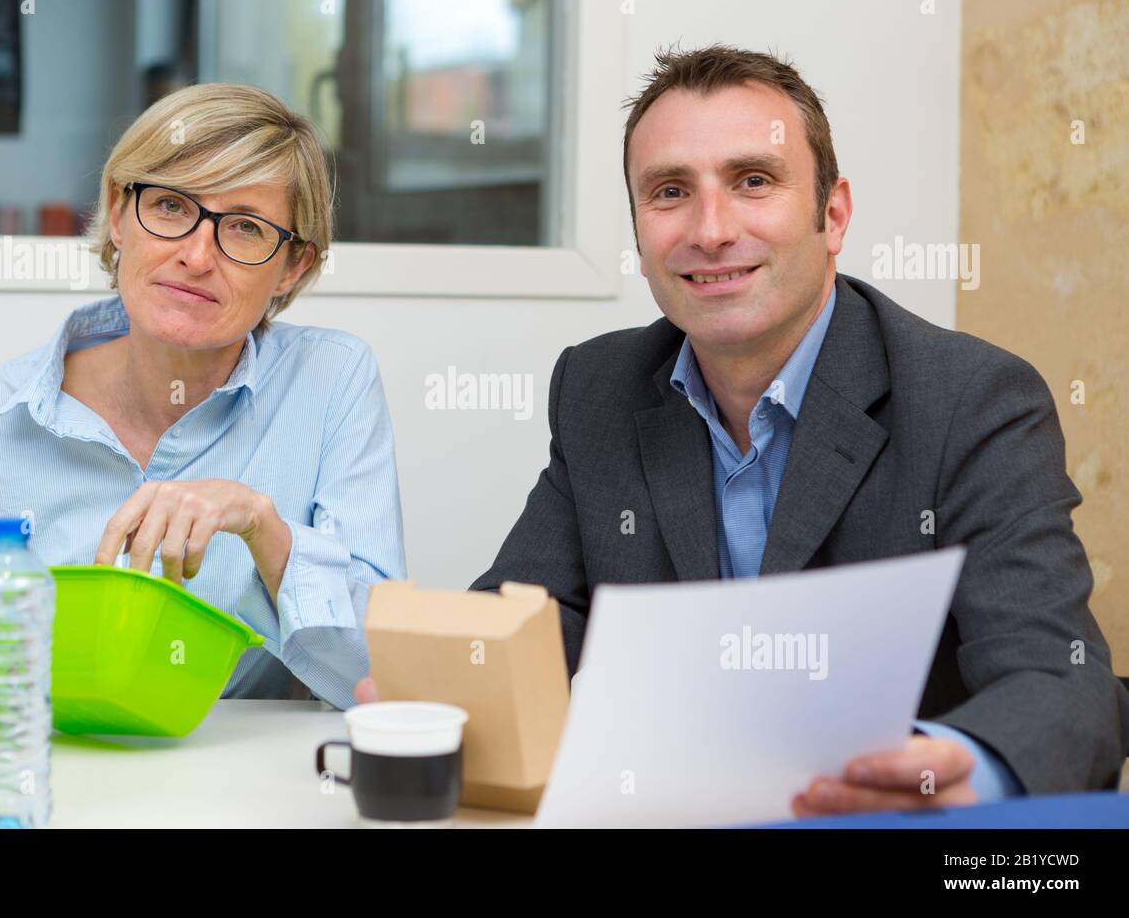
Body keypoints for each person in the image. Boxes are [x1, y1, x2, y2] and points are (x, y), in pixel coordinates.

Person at [358, 44, 1129, 818]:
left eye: (752, 181)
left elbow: (1061, 678)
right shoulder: (598, 389)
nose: (712, 229)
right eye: (669, 192)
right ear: (638, 235)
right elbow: (535, 615)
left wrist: (960, 769)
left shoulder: (973, 399)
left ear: (834, 214)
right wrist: (442, 682)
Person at [0, 83, 404, 712]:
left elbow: (380, 679)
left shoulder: (333, 379)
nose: (195, 255)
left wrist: (262, 527)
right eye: (170, 206)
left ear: (293, 267)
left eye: (244, 228)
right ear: (117, 211)